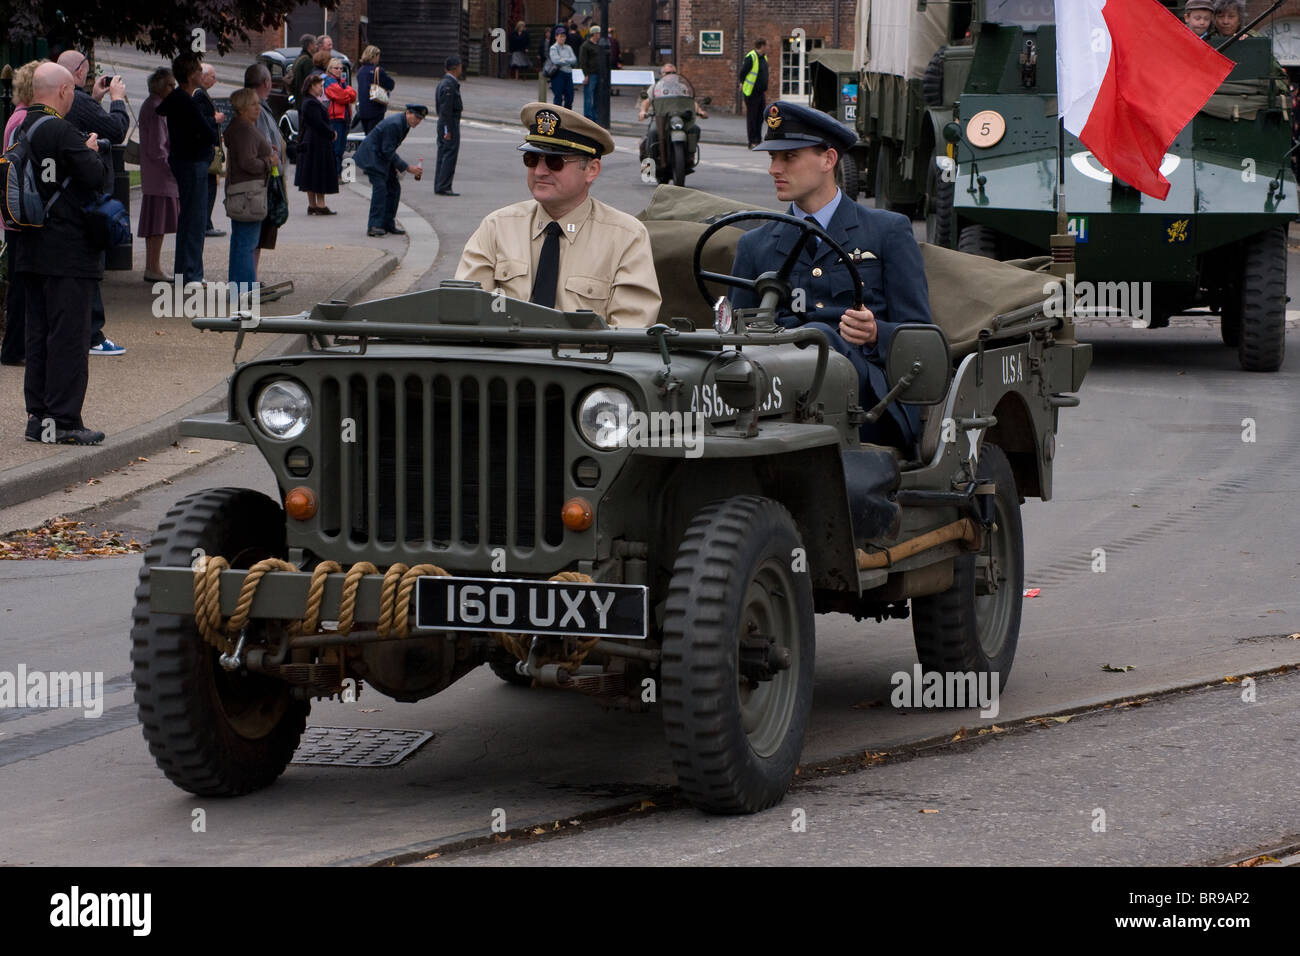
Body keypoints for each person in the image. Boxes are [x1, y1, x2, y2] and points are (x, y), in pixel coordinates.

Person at [728, 102, 932, 448]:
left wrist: (874, 333)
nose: (774, 169)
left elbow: (922, 339)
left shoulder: (886, 232)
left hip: (867, 406)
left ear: (828, 160)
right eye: (772, 159)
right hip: (774, 401)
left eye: (789, 157)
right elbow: (735, 341)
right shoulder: (755, 246)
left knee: (818, 333)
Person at [456, 103, 661, 328]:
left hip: (581, 363)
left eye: (555, 162)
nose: (540, 171)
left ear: (591, 170)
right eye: (532, 159)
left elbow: (630, 330)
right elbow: (465, 311)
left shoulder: (626, 237)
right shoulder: (496, 227)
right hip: (506, 360)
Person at [12, 62, 108, 444]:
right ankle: (64, 422)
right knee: (68, 336)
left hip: (31, 247)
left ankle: (39, 419)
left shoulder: (23, 127)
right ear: (65, 91)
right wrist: (88, 150)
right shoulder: (62, 131)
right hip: (67, 250)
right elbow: (96, 177)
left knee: (39, 334)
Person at [56, 49, 129, 355]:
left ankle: (80, 332)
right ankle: (93, 335)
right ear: (79, 73)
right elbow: (117, 131)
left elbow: (84, 120)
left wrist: (94, 99)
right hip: (88, 190)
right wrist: (116, 98)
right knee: (91, 262)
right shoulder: (78, 99)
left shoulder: (65, 104)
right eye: (86, 72)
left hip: (64, 194)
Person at [157, 51, 218, 286]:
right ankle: (191, 273)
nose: (201, 74)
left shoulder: (176, 99)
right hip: (194, 162)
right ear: (191, 75)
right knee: (195, 219)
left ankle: (184, 272)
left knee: (189, 218)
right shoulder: (186, 101)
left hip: (184, 161)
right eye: (198, 70)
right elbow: (207, 131)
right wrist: (212, 127)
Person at [2, 59, 43, 368]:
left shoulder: (18, 117)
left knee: (22, 285)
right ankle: (14, 348)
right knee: (20, 288)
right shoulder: (22, 121)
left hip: (16, 215)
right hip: (20, 217)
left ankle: (16, 347)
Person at [223, 88, 273, 289]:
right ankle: (246, 288)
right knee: (247, 243)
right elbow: (248, 162)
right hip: (249, 193)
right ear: (242, 108)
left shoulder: (238, 127)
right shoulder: (245, 130)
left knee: (240, 242)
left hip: (239, 190)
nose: (258, 108)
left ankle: (238, 286)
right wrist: (269, 161)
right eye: (253, 104)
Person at [354, 103, 426, 236]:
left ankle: (387, 223)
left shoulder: (404, 124)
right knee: (380, 189)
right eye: (416, 117)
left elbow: (389, 149)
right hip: (372, 157)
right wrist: (407, 168)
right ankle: (374, 225)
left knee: (393, 188)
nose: (418, 121)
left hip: (380, 157)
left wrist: (395, 167)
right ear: (408, 113)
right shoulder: (395, 124)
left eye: (420, 119)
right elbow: (387, 150)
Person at [137, 67, 179, 283]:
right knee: (156, 225)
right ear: (160, 86)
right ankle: (153, 267)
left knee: (156, 225)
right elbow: (158, 147)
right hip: (160, 176)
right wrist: (172, 167)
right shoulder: (156, 108)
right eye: (170, 85)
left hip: (156, 176)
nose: (174, 89)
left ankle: (153, 266)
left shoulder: (154, 105)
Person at [244, 62, 285, 277]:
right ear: (267, 83)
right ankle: (249, 279)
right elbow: (261, 145)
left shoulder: (259, 106)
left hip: (262, 179)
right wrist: (272, 156)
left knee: (259, 236)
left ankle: (252, 277)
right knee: (254, 236)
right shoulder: (255, 108)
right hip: (260, 182)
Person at [293, 75, 339, 215]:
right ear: (312, 86)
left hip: (311, 141)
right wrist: (332, 134)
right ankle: (320, 204)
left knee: (311, 172)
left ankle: (312, 205)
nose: (321, 88)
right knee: (319, 172)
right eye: (319, 86)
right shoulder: (311, 103)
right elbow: (318, 123)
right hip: (317, 142)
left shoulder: (308, 101)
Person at [195, 63, 227, 239]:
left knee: (210, 186)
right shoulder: (199, 95)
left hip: (209, 149)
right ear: (203, 76)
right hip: (207, 150)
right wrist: (215, 119)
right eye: (212, 76)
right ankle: (205, 223)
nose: (215, 80)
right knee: (209, 187)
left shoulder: (201, 93)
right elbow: (200, 121)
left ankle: (206, 222)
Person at [638, 63, 708, 121]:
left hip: (680, 116)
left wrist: (699, 111)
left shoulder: (681, 87)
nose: (671, 75)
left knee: (695, 130)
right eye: (668, 73)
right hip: (661, 116)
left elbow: (690, 101)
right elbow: (647, 101)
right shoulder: (655, 87)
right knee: (653, 132)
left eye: (674, 73)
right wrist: (643, 111)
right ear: (662, 74)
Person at [434, 56, 463, 196]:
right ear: (456, 68)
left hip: (446, 123)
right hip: (450, 123)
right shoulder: (449, 85)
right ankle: (444, 185)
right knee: (449, 154)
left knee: (443, 153)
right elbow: (446, 109)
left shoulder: (444, 83)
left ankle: (440, 184)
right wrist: (447, 129)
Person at [323, 57, 356, 175]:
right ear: (330, 69)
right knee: (336, 148)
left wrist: (346, 92)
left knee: (341, 148)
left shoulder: (341, 82)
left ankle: (336, 173)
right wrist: (347, 93)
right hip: (335, 118)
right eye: (336, 68)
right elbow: (342, 97)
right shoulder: (329, 81)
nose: (339, 70)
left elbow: (353, 96)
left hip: (344, 118)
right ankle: (334, 174)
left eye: (341, 68)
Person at [355, 45, 395, 134]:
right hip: (376, 109)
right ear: (374, 57)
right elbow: (391, 84)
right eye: (378, 56)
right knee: (375, 137)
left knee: (368, 136)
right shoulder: (378, 71)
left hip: (363, 110)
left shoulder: (360, 71)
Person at [739, 38, 769, 149]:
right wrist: (741, 83)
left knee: (760, 117)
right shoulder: (751, 57)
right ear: (762, 46)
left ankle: (758, 139)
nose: (768, 48)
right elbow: (742, 73)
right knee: (752, 117)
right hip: (751, 92)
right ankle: (752, 141)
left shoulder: (763, 57)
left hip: (760, 92)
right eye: (767, 45)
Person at [548, 26, 577, 109]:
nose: (562, 38)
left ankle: (567, 115)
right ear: (556, 37)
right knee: (558, 97)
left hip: (568, 74)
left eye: (564, 36)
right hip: (558, 74)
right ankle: (557, 115)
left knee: (570, 97)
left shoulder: (568, 48)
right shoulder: (553, 48)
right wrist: (568, 60)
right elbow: (556, 61)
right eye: (560, 36)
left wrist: (563, 60)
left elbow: (574, 60)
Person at [579, 25, 603, 122]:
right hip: (591, 74)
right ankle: (588, 117)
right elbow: (583, 61)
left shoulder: (599, 45)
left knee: (597, 97)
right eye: (598, 33)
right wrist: (586, 74)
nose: (599, 35)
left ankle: (595, 117)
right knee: (589, 96)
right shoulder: (586, 46)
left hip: (598, 74)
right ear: (594, 34)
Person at [290, 35, 317, 104]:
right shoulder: (307, 61)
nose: (316, 46)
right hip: (305, 100)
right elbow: (310, 81)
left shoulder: (298, 58)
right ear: (310, 45)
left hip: (298, 99)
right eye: (315, 44)